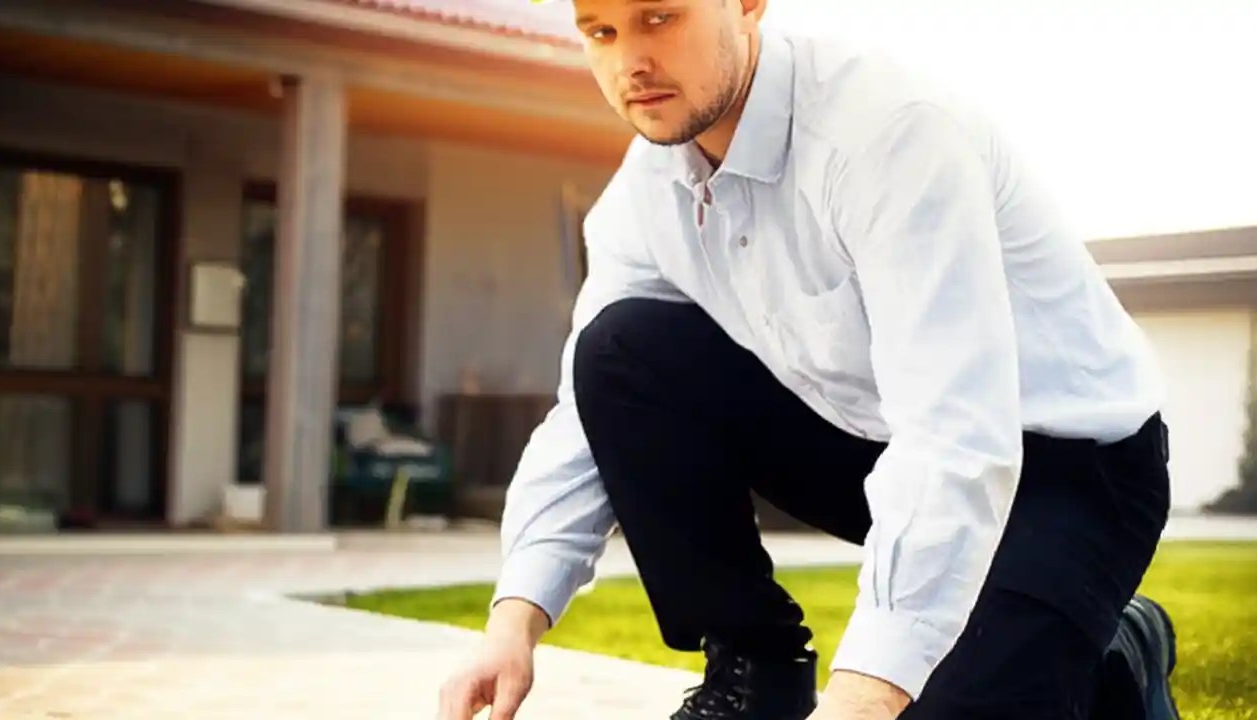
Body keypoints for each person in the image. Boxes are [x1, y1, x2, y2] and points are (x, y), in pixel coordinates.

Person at [438, 1, 1182, 718]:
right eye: (600, 31)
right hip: (876, 443)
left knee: (931, 699)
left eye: (659, 17)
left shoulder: (888, 134)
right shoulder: (646, 194)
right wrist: (512, 624)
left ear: (747, 4)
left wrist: (861, 697)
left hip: (1073, 470)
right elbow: (587, 415)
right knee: (619, 347)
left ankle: (1116, 650)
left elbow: (955, 437)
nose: (630, 60)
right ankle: (754, 675)